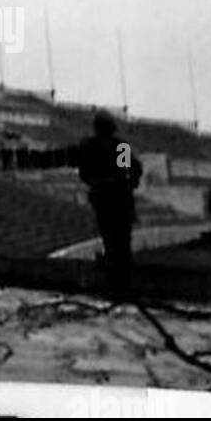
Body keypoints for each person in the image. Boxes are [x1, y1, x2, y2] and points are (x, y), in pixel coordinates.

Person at [76, 110, 143, 290]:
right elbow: (128, 172)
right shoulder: (117, 146)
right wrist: (127, 182)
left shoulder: (91, 146)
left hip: (107, 199)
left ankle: (118, 279)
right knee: (120, 241)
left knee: (113, 239)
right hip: (116, 199)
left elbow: (86, 174)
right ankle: (121, 280)